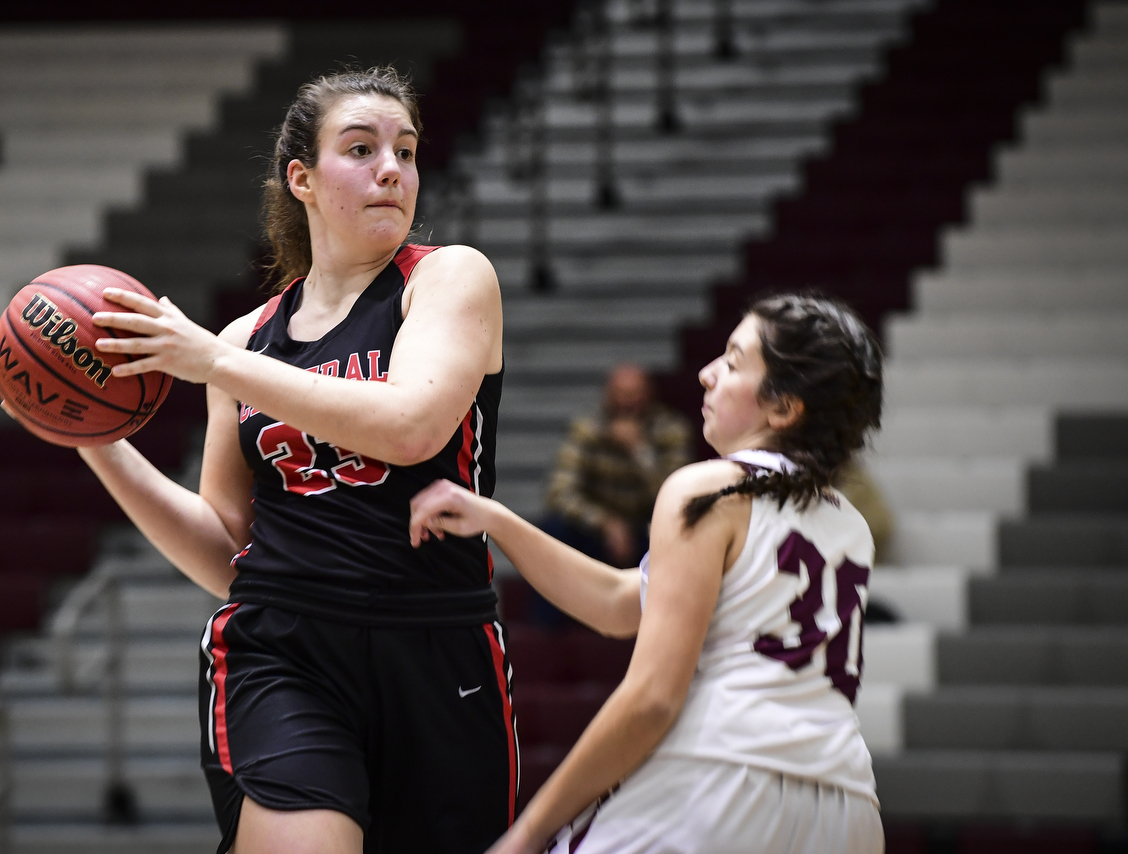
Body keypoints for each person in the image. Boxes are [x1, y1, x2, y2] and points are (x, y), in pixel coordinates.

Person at [73, 67, 512, 854]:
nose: (392, 169)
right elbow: (225, 546)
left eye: (407, 151)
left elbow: (411, 427)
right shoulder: (245, 340)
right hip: (286, 649)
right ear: (301, 179)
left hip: (438, 642)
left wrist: (216, 364)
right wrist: (92, 436)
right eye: (362, 148)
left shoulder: (447, 277)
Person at [410, 293, 885, 853]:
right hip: (848, 805)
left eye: (733, 362)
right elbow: (619, 603)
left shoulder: (708, 489)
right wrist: (496, 519)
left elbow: (654, 698)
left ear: (783, 408)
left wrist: (527, 834)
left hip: (725, 779)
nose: (707, 373)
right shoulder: (849, 523)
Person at [542, 362, 692, 568]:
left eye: (634, 394)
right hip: (596, 530)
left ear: (649, 395)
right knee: (554, 528)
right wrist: (605, 523)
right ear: (607, 395)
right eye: (620, 393)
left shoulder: (671, 431)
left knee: (682, 531)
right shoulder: (586, 430)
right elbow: (560, 492)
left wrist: (640, 452)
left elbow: (678, 496)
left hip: (647, 528)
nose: (626, 401)